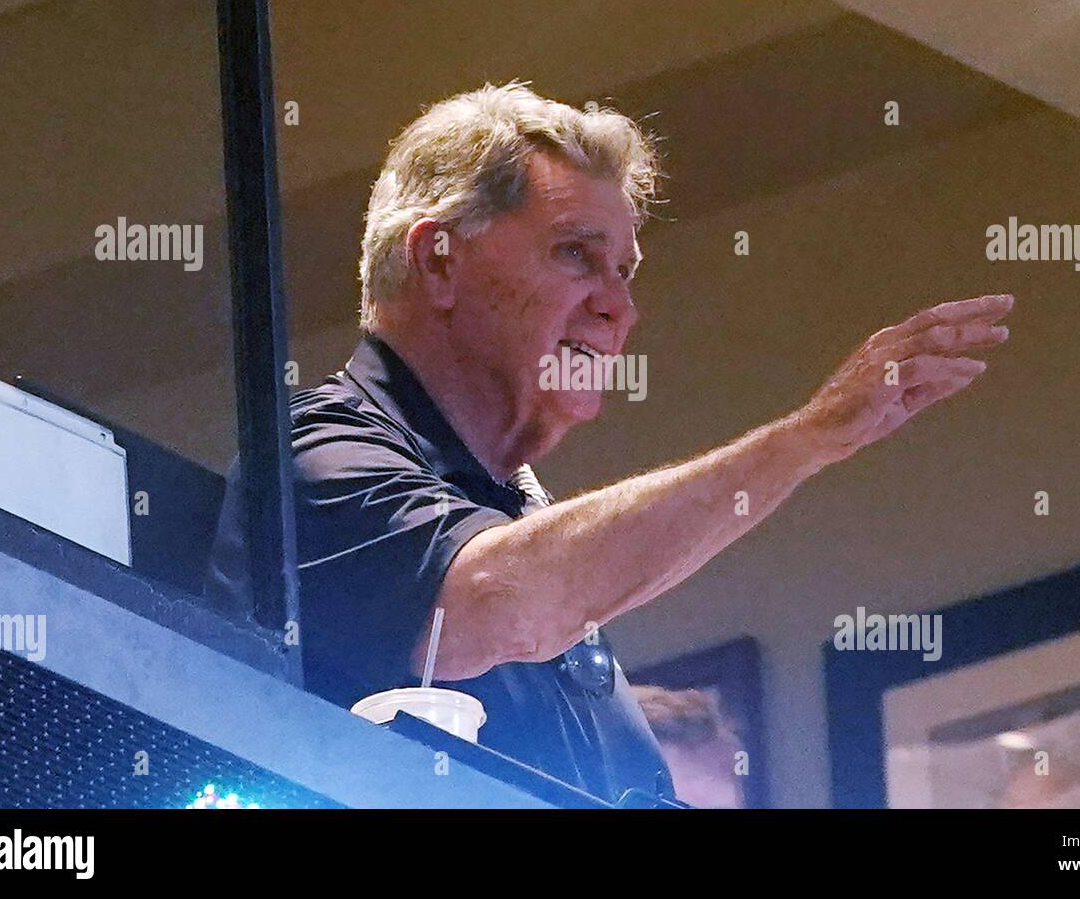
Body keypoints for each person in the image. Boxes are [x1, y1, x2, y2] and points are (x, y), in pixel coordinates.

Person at [208, 80, 1013, 804]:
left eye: (625, 271)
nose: (619, 309)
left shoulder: (516, 510)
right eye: (576, 256)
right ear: (438, 260)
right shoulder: (314, 450)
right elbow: (497, 602)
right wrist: (808, 438)